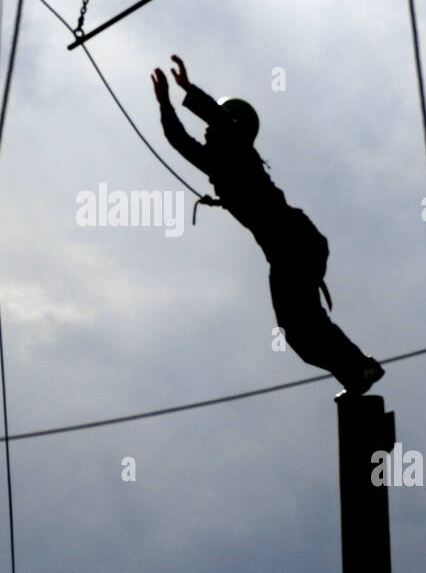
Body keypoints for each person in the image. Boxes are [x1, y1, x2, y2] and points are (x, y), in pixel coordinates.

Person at [152, 55, 384, 396]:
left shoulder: (240, 153)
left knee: (304, 323)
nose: (206, 129)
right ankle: (355, 373)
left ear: (232, 128)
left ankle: (359, 367)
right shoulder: (218, 165)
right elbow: (179, 141)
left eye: (213, 124)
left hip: (294, 242)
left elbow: (219, 121)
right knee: (297, 330)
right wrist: (164, 104)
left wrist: (188, 91)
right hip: (291, 248)